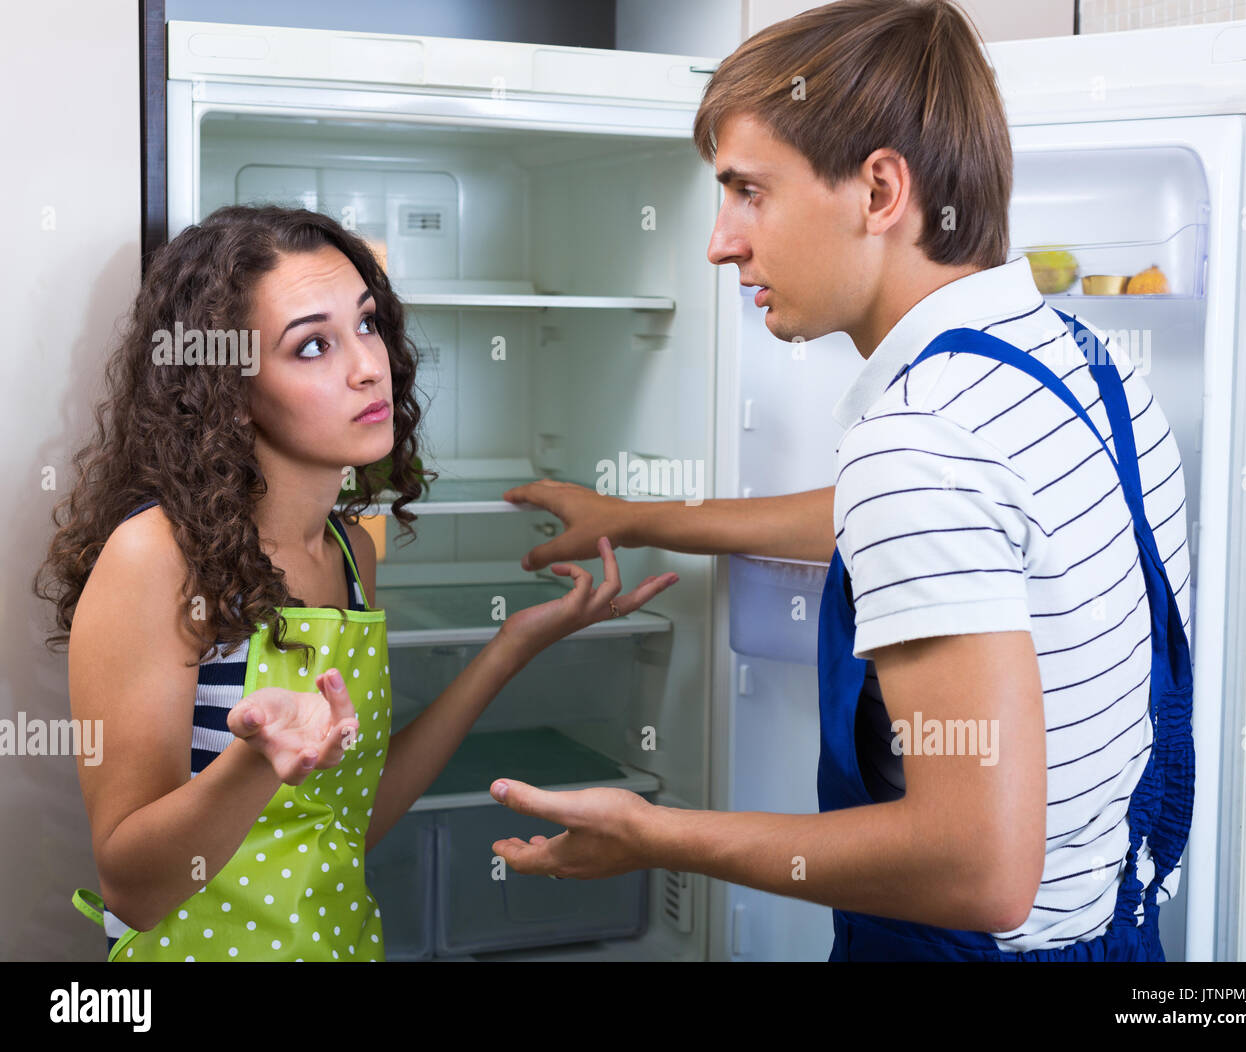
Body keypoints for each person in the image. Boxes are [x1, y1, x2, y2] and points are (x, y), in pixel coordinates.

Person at [487, 0, 1194, 961]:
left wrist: (657, 835)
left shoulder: (920, 443)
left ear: (878, 191)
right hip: (1114, 934)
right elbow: (929, 534)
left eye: (748, 192)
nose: (720, 241)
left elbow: (977, 870)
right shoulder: (1079, 364)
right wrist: (640, 515)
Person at [36, 204, 677, 962]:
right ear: (228, 387)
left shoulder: (347, 549)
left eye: (366, 324)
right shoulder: (156, 558)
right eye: (312, 345)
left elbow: (347, 820)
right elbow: (132, 889)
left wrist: (512, 646)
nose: (368, 365)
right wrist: (253, 764)